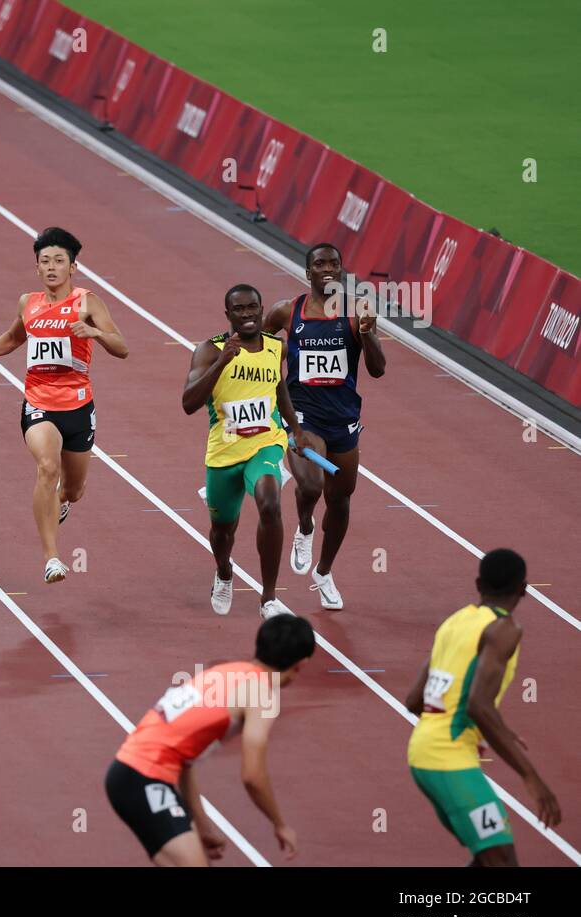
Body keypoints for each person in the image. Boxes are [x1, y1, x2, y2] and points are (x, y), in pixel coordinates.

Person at [0, 227, 128, 583]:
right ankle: (52, 558)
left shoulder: (87, 302)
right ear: (37, 268)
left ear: (73, 267)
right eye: (44, 261)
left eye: (59, 261)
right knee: (48, 467)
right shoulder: (28, 303)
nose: (51, 267)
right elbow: (13, 338)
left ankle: (62, 502)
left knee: (73, 490)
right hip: (39, 403)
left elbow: (121, 347)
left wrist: (95, 333)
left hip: (79, 407)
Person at [107, 613, 314, 865]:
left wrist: (201, 825)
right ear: (301, 664)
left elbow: (184, 760)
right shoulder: (261, 693)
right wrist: (280, 824)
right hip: (145, 780)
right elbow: (253, 776)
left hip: (129, 776)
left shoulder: (224, 673)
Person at [405, 548, 562, 866]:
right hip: (447, 760)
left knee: (489, 858)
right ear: (523, 588)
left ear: (478, 584)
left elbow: (414, 700)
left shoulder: (455, 622)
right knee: (502, 860)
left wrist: (487, 726)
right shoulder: (506, 629)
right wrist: (531, 777)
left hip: (422, 752)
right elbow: (477, 705)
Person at [263, 242, 385, 609]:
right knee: (311, 480)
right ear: (308, 272)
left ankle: (324, 572)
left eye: (335, 263)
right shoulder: (287, 311)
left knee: (341, 498)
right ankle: (304, 527)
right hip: (303, 415)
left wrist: (367, 334)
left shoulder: (357, 311)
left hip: (344, 420)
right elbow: (264, 348)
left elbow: (378, 369)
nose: (328, 268)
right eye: (320, 264)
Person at [183, 284, 307, 618]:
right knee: (222, 532)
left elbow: (278, 387)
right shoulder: (209, 350)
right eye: (240, 309)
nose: (248, 314)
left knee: (269, 502)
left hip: (265, 443)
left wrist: (294, 428)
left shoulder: (274, 346)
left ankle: (268, 598)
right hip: (223, 453)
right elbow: (188, 403)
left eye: (253, 307)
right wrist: (222, 362)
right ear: (228, 315)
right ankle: (224, 571)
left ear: (261, 309)